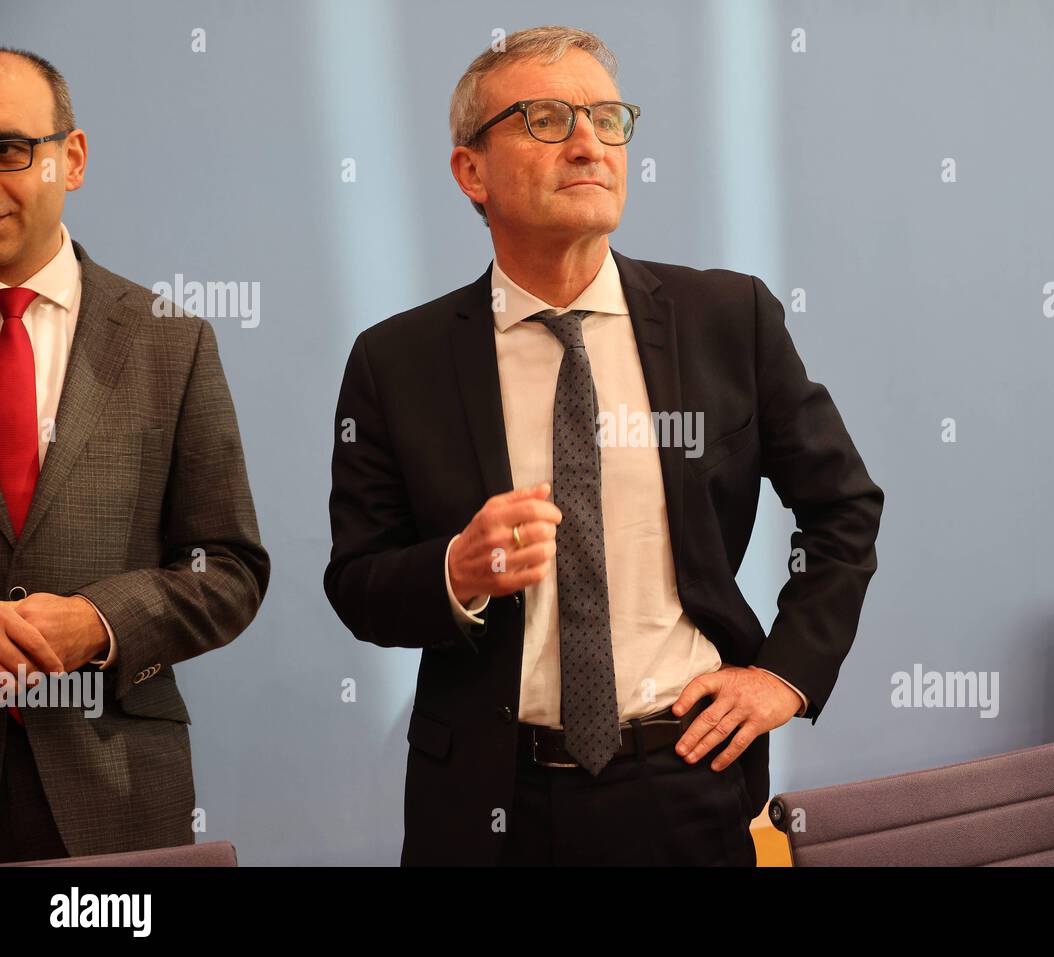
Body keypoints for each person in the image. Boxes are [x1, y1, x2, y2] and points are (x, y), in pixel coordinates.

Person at [323, 25, 882, 866]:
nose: (588, 142)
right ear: (470, 170)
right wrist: (455, 571)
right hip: (483, 798)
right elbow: (358, 581)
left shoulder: (729, 320)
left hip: (681, 779)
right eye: (545, 118)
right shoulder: (397, 359)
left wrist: (785, 675)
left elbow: (844, 509)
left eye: (607, 118)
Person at [0, 48, 269, 861]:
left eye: (8, 149)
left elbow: (228, 570)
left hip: (109, 790)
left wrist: (99, 620)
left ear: (70, 159)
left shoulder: (168, 341)